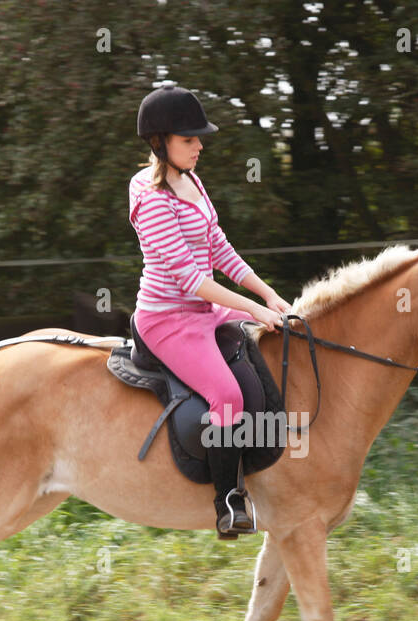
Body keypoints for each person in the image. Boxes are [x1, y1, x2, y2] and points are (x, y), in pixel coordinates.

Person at [130, 82, 292, 539]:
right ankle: (227, 501)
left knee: (277, 346)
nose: (200, 145)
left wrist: (270, 295)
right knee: (228, 397)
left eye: (198, 137)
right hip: (168, 319)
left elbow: (219, 249)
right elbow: (192, 281)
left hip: (207, 310)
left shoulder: (192, 180)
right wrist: (253, 309)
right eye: (189, 139)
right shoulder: (148, 194)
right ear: (160, 142)